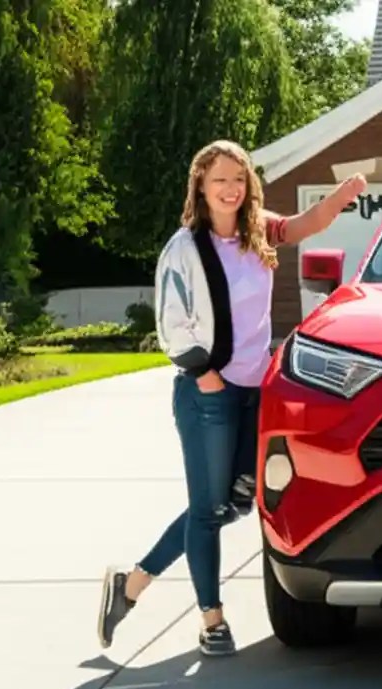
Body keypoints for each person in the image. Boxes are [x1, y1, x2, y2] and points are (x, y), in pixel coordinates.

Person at [96, 139, 367, 656]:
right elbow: (170, 321)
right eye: (219, 179)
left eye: (238, 179)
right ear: (200, 186)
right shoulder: (184, 248)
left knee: (236, 501)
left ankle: (132, 583)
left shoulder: (258, 231)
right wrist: (203, 373)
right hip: (208, 395)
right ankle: (211, 620)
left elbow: (305, 225)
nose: (230, 189)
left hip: (256, 392)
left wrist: (342, 196)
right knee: (207, 510)